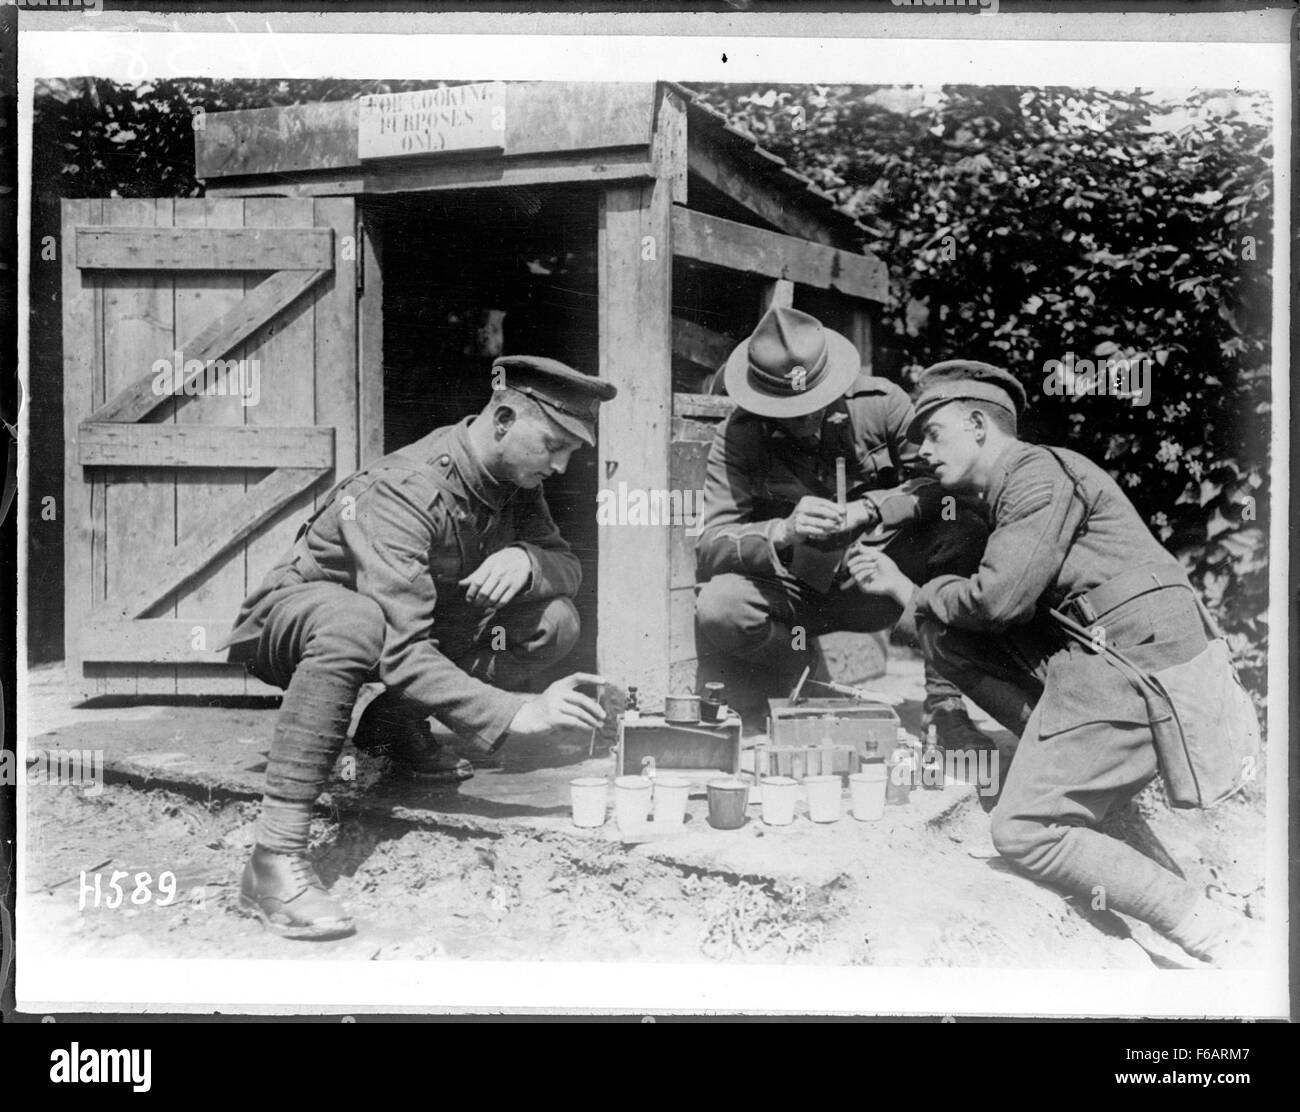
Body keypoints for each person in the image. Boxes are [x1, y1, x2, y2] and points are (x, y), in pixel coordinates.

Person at [847, 359, 1260, 967]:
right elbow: (929, 503)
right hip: (1109, 653)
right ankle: (1060, 756)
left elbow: (999, 600)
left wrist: (908, 592)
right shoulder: (1014, 476)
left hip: (1135, 667)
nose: (922, 453)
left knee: (1023, 831)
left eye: (933, 435)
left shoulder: (1036, 478)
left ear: (980, 424)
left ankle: (1207, 927)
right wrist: (875, 515)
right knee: (947, 640)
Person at [222, 356, 615, 940]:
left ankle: (392, 725)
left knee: (551, 620)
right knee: (355, 621)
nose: (560, 466)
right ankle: (273, 859)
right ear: (503, 419)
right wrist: (520, 713)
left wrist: (526, 561)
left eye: (570, 453)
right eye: (554, 445)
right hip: (295, 624)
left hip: (395, 627)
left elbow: (567, 566)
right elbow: (403, 651)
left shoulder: (513, 482)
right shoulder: (402, 490)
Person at [693, 306, 993, 750]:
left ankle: (946, 706)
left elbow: (949, 487)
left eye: (814, 403)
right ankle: (802, 670)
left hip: (877, 586)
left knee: (961, 530)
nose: (806, 420)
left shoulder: (881, 404)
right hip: (794, 595)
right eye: (789, 411)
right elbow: (711, 545)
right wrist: (783, 530)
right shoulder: (739, 435)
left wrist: (870, 509)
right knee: (720, 607)